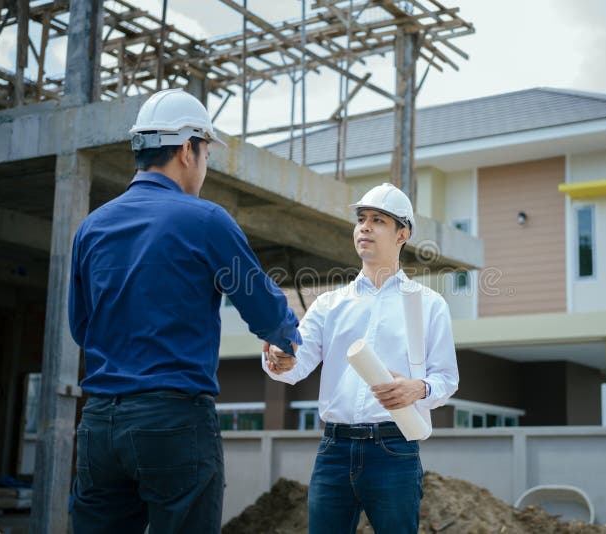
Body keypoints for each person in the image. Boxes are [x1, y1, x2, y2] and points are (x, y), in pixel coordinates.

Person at [68, 89, 301, 534]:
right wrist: (288, 338)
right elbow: (264, 308)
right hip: (173, 423)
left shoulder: (91, 228)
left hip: (99, 424)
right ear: (186, 150)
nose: (205, 165)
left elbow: (82, 327)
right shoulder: (206, 220)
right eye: (207, 152)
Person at [263, 183, 459, 534]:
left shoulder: (429, 305)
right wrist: (280, 359)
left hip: (394, 449)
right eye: (361, 219)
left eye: (378, 220)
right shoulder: (329, 304)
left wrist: (419, 388)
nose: (365, 227)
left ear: (403, 233)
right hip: (333, 449)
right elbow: (295, 364)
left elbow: (446, 379)